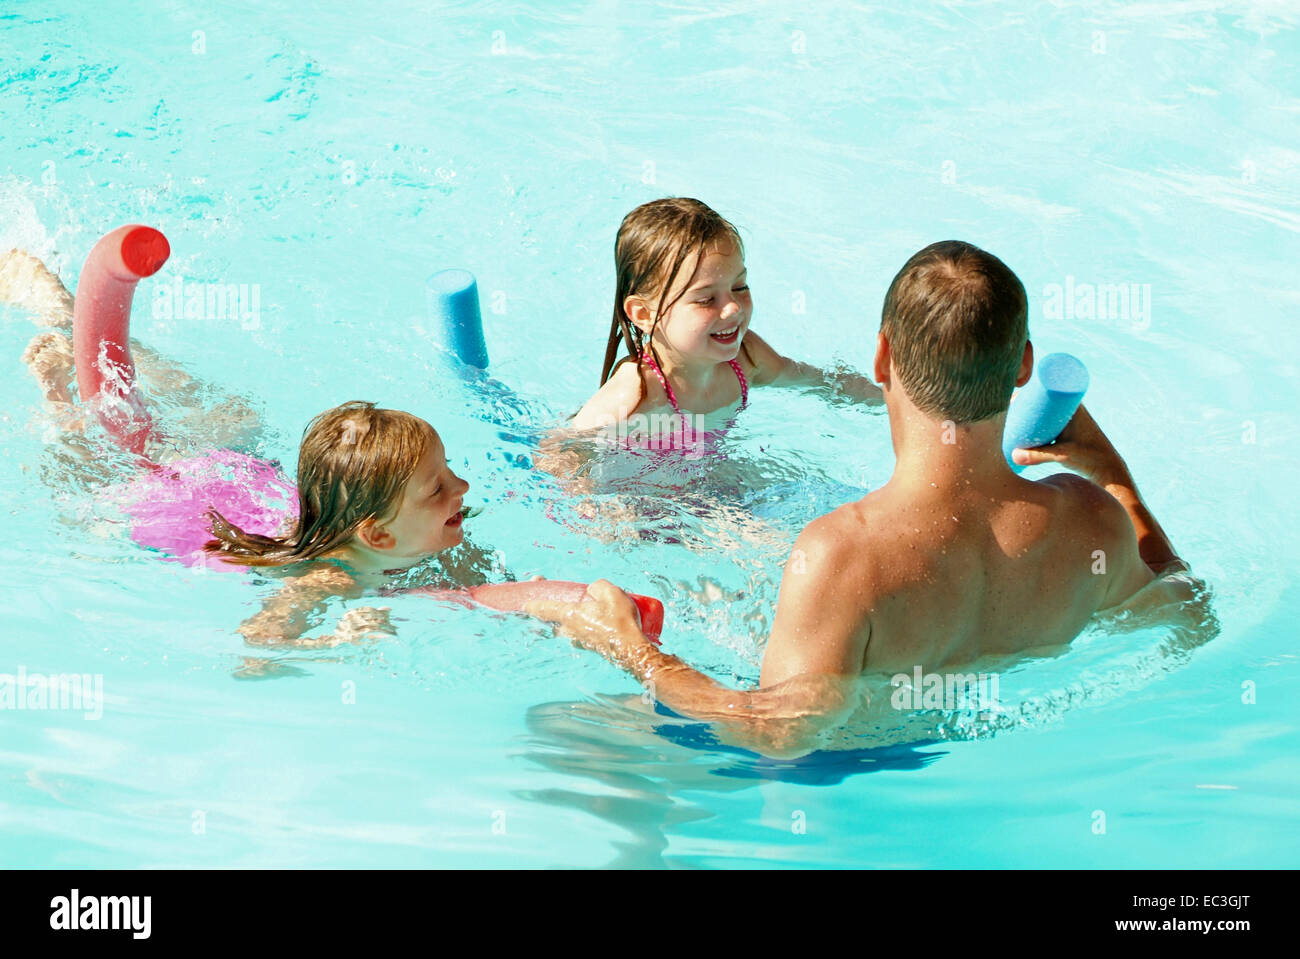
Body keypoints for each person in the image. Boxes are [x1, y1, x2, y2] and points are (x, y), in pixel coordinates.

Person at [528, 240, 1213, 757]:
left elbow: (775, 735)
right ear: (1025, 366)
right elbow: (1187, 617)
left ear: (882, 359)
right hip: (969, 763)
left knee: (556, 729)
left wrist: (635, 651)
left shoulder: (842, 555)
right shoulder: (1093, 522)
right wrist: (1118, 480)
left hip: (830, 773)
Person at [562, 197, 882, 454]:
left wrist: (887, 399)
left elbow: (817, 382)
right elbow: (563, 449)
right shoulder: (637, 390)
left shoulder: (746, 359)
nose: (731, 308)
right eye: (705, 300)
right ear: (644, 314)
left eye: (740, 288)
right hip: (646, 501)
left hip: (705, 479)